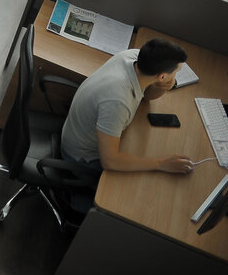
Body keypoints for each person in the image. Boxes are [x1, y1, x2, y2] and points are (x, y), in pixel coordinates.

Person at [61, 38, 194, 178]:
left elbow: (146, 96)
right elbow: (110, 161)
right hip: (82, 158)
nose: (175, 76)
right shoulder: (118, 101)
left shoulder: (133, 57)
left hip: (84, 134)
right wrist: (161, 163)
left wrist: (163, 86)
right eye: (176, 72)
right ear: (162, 76)